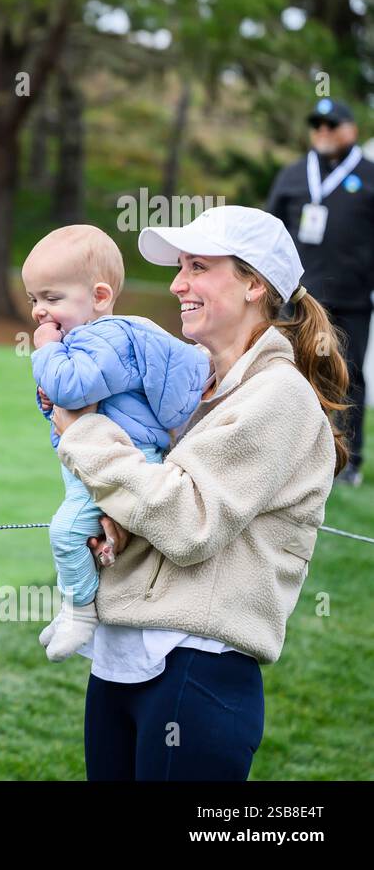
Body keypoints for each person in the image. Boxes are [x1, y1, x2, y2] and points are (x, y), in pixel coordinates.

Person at [52, 205, 345, 780]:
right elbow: (144, 486)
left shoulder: (279, 396)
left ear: (254, 284)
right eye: (180, 266)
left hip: (197, 672)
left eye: (198, 267)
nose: (177, 284)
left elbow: (188, 523)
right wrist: (111, 519)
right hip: (120, 660)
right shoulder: (187, 386)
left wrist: (83, 430)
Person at [23, 225, 209, 660]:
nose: (38, 312)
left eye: (51, 299)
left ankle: (81, 611)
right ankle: (75, 603)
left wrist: (47, 353)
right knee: (84, 532)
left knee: (67, 530)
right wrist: (49, 395)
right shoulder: (88, 340)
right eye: (34, 300)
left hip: (123, 456)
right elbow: (64, 406)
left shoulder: (105, 338)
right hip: (98, 453)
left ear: (100, 297)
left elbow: (72, 390)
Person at [265, 98, 374, 486]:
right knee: (289, 373)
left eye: (332, 124)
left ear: (351, 130)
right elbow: (271, 234)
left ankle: (350, 462)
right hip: (298, 301)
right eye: (318, 125)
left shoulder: (369, 174)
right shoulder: (294, 175)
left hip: (352, 302)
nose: (324, 131)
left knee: (348, 376)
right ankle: (290, 455)